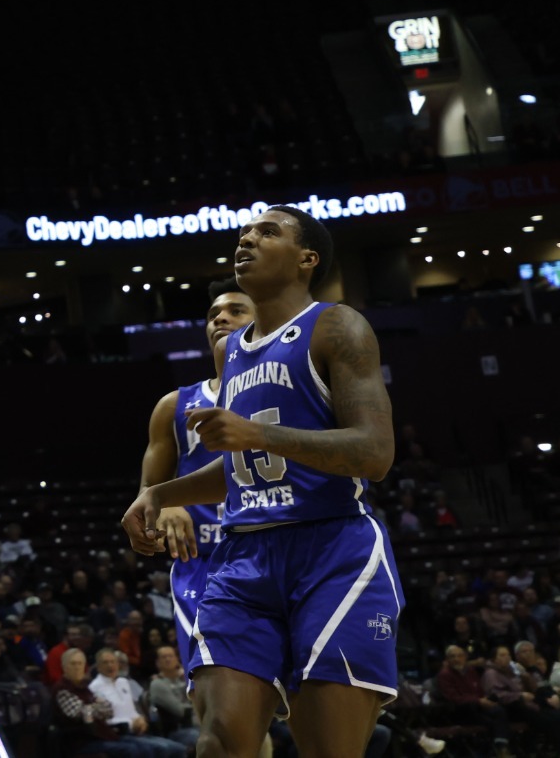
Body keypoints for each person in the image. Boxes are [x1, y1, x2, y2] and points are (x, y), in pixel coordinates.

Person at [125, 207, 397, 758]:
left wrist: (258, 434)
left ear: (307, 259)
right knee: (220, 743)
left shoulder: (337, 325)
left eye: (267, 232)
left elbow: (374, 453)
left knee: (327, 748)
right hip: (243, 556)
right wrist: (160, 494)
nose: (247, 238)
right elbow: (240, 470)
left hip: (331, 548)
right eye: (245, 233)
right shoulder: (232, 352)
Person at [136, 280, 257, 681]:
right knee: (219, 705)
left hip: (277, 547)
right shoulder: (175, 406)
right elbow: (146, 499)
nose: (220, 318)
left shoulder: (290, 390)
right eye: (212, 314)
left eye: (237, 310)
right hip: (205, 563)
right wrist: (168, 503)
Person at [90, 649, 184, 758]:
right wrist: (130, 724)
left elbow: (132, 711)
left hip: (137, 731)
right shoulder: (94, 688)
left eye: (113, 662)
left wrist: (141, 719)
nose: (110, 665)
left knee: (178, 749)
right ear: (98, 666)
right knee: (161, 749)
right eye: (105, 662)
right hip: (118, 733)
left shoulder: (123, 683)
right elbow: (103, 719)